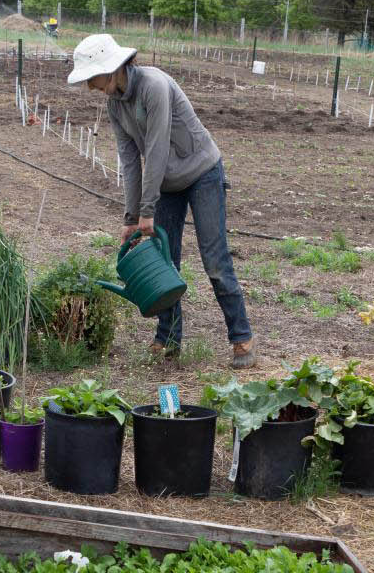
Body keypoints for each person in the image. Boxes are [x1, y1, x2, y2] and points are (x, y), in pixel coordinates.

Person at [68, 33, 255, 367]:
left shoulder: (153, 86)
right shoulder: (115, 104)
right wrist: (131, 218)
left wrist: (148, 210)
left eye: (92, 78)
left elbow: (155, 150)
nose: (90, 87)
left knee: (214, 258)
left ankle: (241, 339)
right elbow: (129, 160)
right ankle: (169, 338)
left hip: (201, 172)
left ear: (111, 69)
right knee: (165, 261)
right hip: (167, 182)